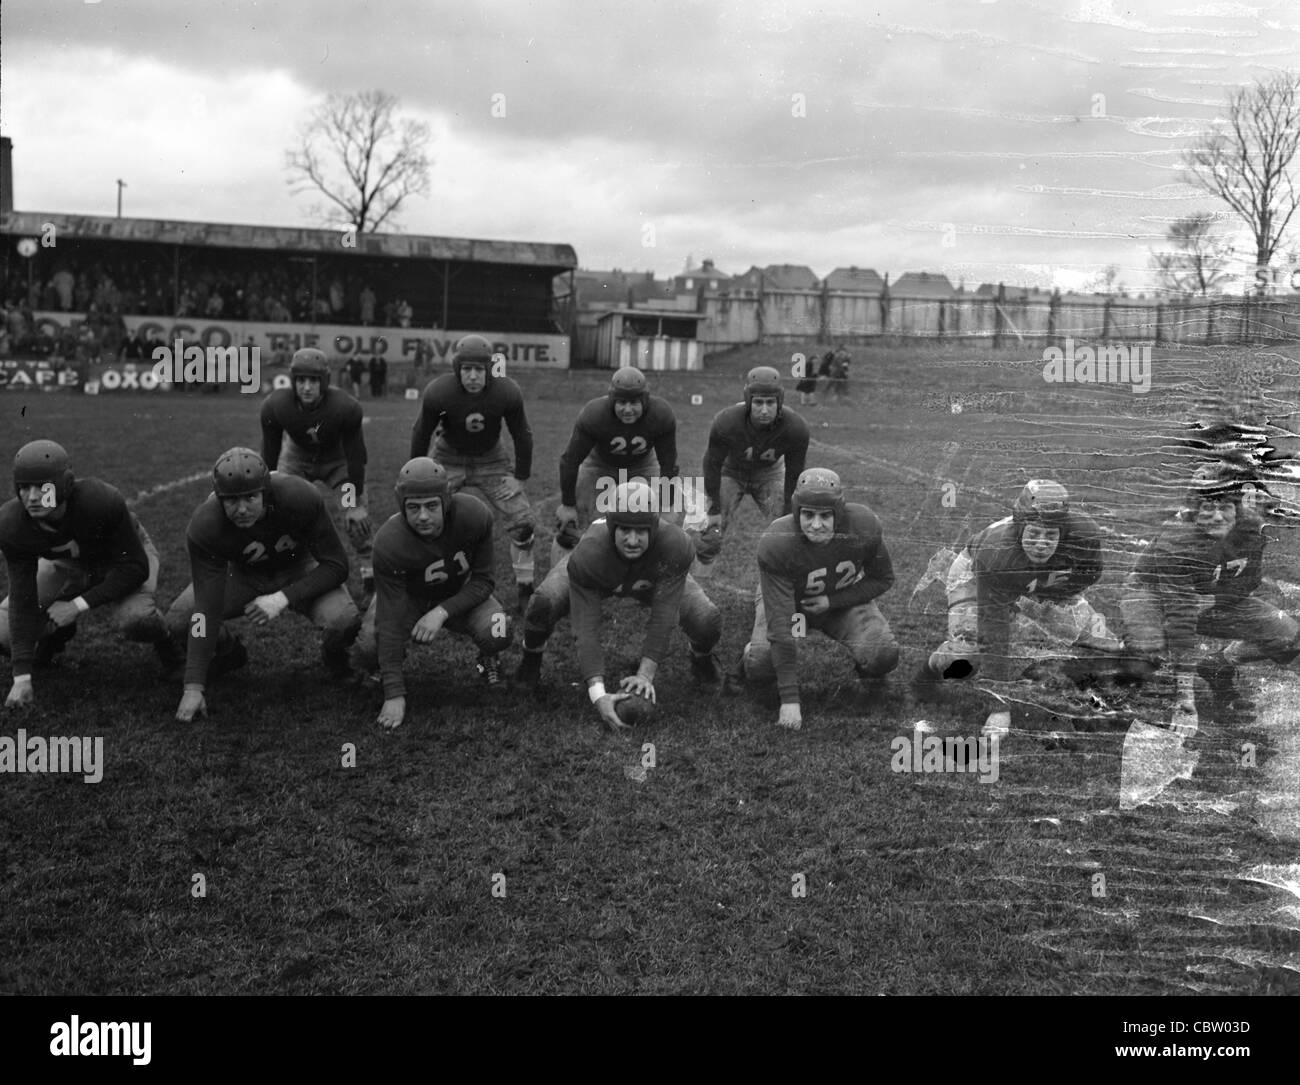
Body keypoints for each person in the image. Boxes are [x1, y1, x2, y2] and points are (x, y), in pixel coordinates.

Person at [166, 448, 360, 723]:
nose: (242, 509)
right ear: (218, 499)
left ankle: (334, 654)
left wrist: (282, 598)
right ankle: (229, 652)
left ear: (265, 493)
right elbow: (206, 606)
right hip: (243, 574)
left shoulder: (299, 496)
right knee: (179, 619)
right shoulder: (205, 525)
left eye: (250, 497)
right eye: (231, 500)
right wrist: (193, 686)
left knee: (344, 619)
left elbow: (337, 565)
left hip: (298, 568)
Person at [515, 480, 722, 729]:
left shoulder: (674, 546)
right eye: (624, 530)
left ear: (654, 529)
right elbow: (586, 628)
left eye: (641, 531)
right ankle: (531, 657)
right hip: (601, 573)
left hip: (652, 576)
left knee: (705, 616)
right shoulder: (590, 553)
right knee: (544, 601)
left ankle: (701, 658)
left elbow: (665, 614)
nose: (632, 540)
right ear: (612, 527)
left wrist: (645, 674)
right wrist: (598, 694)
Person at [917, 479, 1118, 733]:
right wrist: (999, 706)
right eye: (1034, 533)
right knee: (965, 657)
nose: (1042, 543)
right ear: (1020, 527)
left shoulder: (1084, 537)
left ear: (1063, 533)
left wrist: (1045, 594)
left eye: (1050, 535)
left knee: (1098, 637)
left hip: (1038, 580)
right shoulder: (996, 552)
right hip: (975, 574)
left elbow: (1090, 574)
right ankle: (927, 672)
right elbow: (995, 630)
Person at [1119, 463, 1300, 736]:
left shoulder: (1250, 528)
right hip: (1153, 593)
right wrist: (1185, 702)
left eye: (1225, 507)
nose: (1217, 517)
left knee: (1289, 635)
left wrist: (1214, 600)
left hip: (1209, 595)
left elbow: (1248, 581)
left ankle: (1219, 664)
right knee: (1146, 649)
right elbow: (1182, 620)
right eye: (1207, 508)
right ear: (1194, 509)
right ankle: (1120, 652)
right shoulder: (1177, 541)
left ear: (1237, 508)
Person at [1, 440, 180, 708]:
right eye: (24, 487)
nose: (33, 497)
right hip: (69, 563)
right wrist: (21, 677)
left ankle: (173, 653)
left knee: (136, 618)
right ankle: (55, 636)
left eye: (43, 487)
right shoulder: (13, 524)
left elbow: (135, 568)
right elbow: (22, 600)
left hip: (121, 559)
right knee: (3, 630)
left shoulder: (99, 501)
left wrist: (76, 605)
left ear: (65, 485)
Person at [352, 458, 513, 730]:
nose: (423, 516)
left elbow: (484, 582)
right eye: (413, 508)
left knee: (498, 629)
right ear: (401, 505)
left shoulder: (475, 516)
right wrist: (394, 694)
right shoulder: (389, 542)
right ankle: (384, 670)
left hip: (458, 592)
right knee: (368, 645)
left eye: (431, 506)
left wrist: (440, 612)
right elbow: (390, 620)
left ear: (446, 501)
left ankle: (489, 659)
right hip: (407, 598)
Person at [741, 468, 900, 730]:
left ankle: (866, 666)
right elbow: (782, 623)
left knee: (882, 654)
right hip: (791, 606)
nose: (816, 524)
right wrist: (790, 700)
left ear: (839, 512)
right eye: (808, 515)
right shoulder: (778, 541)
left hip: (840, 602)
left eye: (825, 515)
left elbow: (882, 578)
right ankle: (748, 655)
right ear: (796, 513)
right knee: (761, 664)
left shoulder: (863, 526)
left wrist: (832, 601)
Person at [409, 333, 537, 610]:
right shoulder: (439, 391)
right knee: (422, 514)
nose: (473, 377)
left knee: (523, 520)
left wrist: (521, 477)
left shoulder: (507, 391)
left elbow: (522, 434)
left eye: (479, 369)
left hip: (492, 459)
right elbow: (421, 433)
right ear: (457, 369)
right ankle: (417, 578)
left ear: (489, 370)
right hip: (448, 457)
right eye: (467, 369)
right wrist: (416, 477)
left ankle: (526, 585)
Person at [259, 347, 372, 589]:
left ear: (324, 381)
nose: (307, 387)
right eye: (301, 380)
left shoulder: (345, 407)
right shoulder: (277, 405)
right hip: (297, 457)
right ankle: (291, 568)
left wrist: (356, 502)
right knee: (281, 511)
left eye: (313, 380)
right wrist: (265, 491)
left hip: (337, 460)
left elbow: (355, 456)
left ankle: (368, 570)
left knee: (356, 519)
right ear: (293, 381)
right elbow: (269, 452)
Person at [552, 366, 680, 566]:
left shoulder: (660, 415)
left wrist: (668, 503)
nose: (627, 409)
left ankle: (645, 578)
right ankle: (560, 580)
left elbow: (668, 464)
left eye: (634, 402)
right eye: (621, 402)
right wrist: (568, 505)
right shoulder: (595, 414)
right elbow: (570, 460)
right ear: (612, 400)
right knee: (568, 528)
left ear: (645, 401)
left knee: (659, 524)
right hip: (599, 464)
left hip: (643, 465)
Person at [690, 366, 810, 579]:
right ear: (748, 401)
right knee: (710, 525)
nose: (764, 410)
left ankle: (784, 574)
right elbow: (711, 464)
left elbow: (795, 473)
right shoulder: (727, 421)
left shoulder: (795, 427)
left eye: (770, 402)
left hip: (769, 474)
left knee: (787, 525)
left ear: (779, 401)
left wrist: (788, 509)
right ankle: (701, 574)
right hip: (731, 471)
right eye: (758, 402)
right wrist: (714, 507)